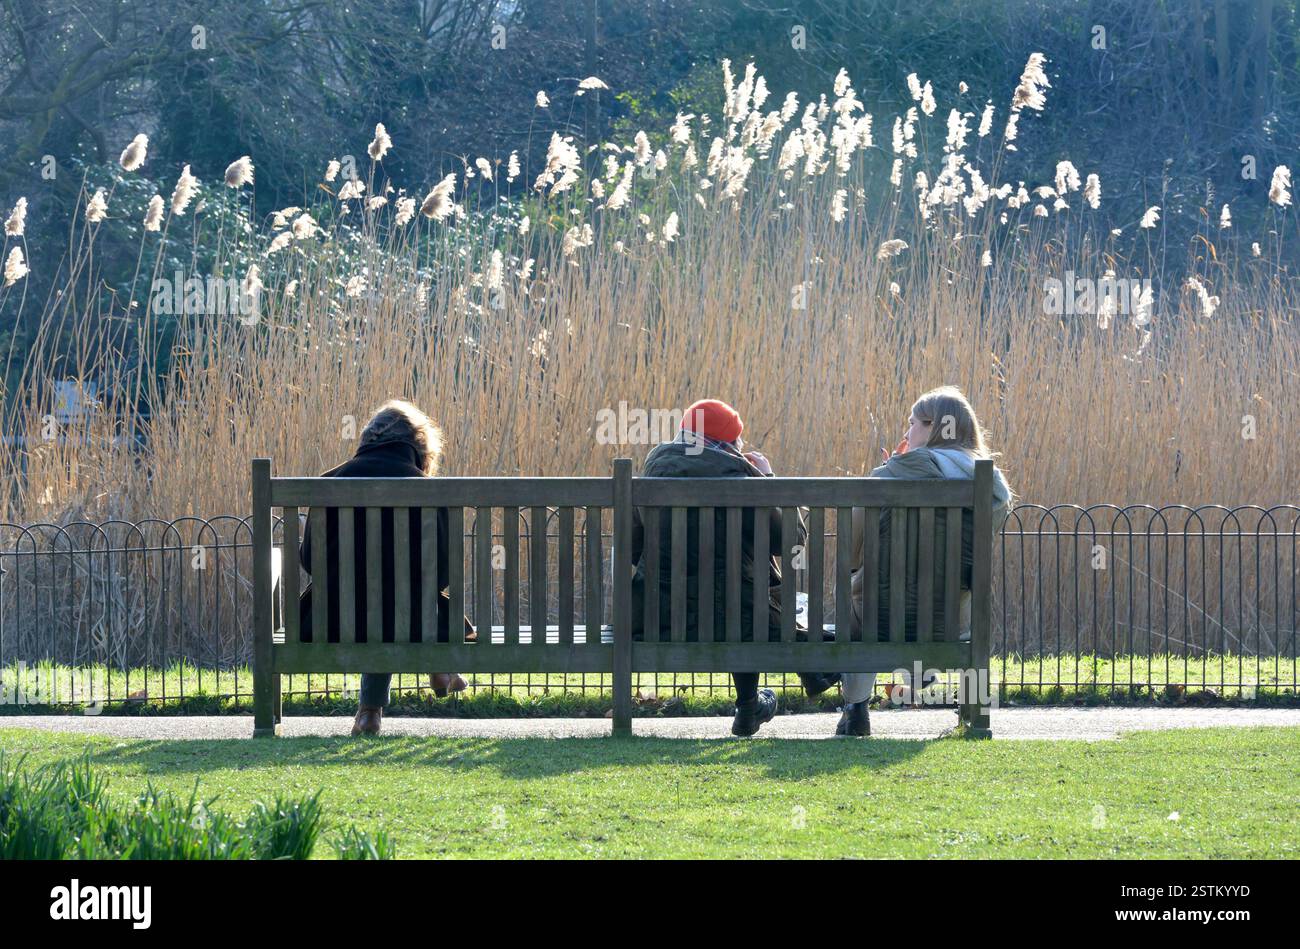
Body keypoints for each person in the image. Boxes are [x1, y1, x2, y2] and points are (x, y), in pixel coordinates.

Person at [835, 386, 1013, 737]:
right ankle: (960, 702)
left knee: (863, 594)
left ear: (934, 427)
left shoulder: (888, 475)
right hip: (946, 621)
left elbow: (851, 554)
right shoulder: (990, 485)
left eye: (912, 422)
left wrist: (890, 468)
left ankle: (856, 710)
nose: (906, 432)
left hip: (879, 617)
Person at [631, 399, 807, 736]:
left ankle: (750, 706)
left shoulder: (651, 471)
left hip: (658, 617)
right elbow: (791, 542)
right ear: (726, 442)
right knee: (744, 593)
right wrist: (767, 478)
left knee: (738, 586)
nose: (742, 447)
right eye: (739, 439)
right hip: (737, 619)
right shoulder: (741, 476)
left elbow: (631, 550)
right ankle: (748, 705)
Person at [298, 399, 475, 736]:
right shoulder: (432, 491)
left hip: (333, 621)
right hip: (416, 624)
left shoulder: (328, 483)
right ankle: (439, 664)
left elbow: (311, 564)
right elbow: (444, 574)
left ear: (366, 440)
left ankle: (369, 714)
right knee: (406, 602)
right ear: (419, 445)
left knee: (374, 604)